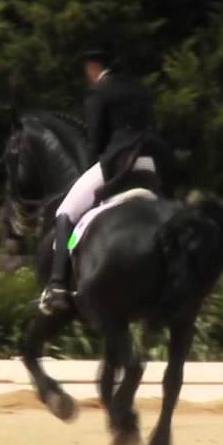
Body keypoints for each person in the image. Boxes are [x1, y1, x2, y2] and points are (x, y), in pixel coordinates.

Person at [38, 45, 172, 315]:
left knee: (65, 213)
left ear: (92, 67)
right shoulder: (140, 90)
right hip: (150, 162)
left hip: (118, 161)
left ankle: (57, 286)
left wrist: (90, 163)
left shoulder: (99, 91)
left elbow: (96, 139)